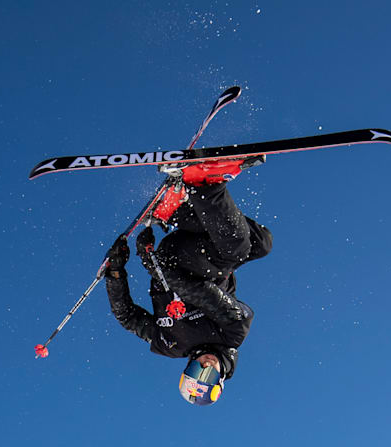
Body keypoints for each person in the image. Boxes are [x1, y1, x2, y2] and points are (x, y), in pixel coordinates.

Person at [104, 159, 272, 406]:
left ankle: (201, 186)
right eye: (209, 375)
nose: (206, 365)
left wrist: (116, 272)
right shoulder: (233, 332)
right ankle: (179, 208)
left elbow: (127, 317)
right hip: (197, 263)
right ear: (221, 378)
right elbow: (202, 292)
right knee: (259, 244)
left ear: (188, 368)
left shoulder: (169, 344)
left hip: (175, 258)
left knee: (235, 246)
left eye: (196, 372)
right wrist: (156, 268)